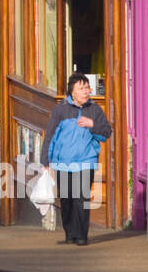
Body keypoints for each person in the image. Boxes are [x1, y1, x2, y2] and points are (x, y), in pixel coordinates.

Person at [41, 73, 113, 246]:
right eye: (81, 88)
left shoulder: (94, 110)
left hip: (85, 161)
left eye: (87, 87)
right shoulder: (61, 110)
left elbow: (106, 132)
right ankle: (69, 233)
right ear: (72, 92)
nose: (86, 91)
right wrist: (45, 161)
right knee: (66, 199)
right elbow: (50, 135)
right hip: (63, 162)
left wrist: (92, 125)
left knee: (81, 198)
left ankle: (81, 235)